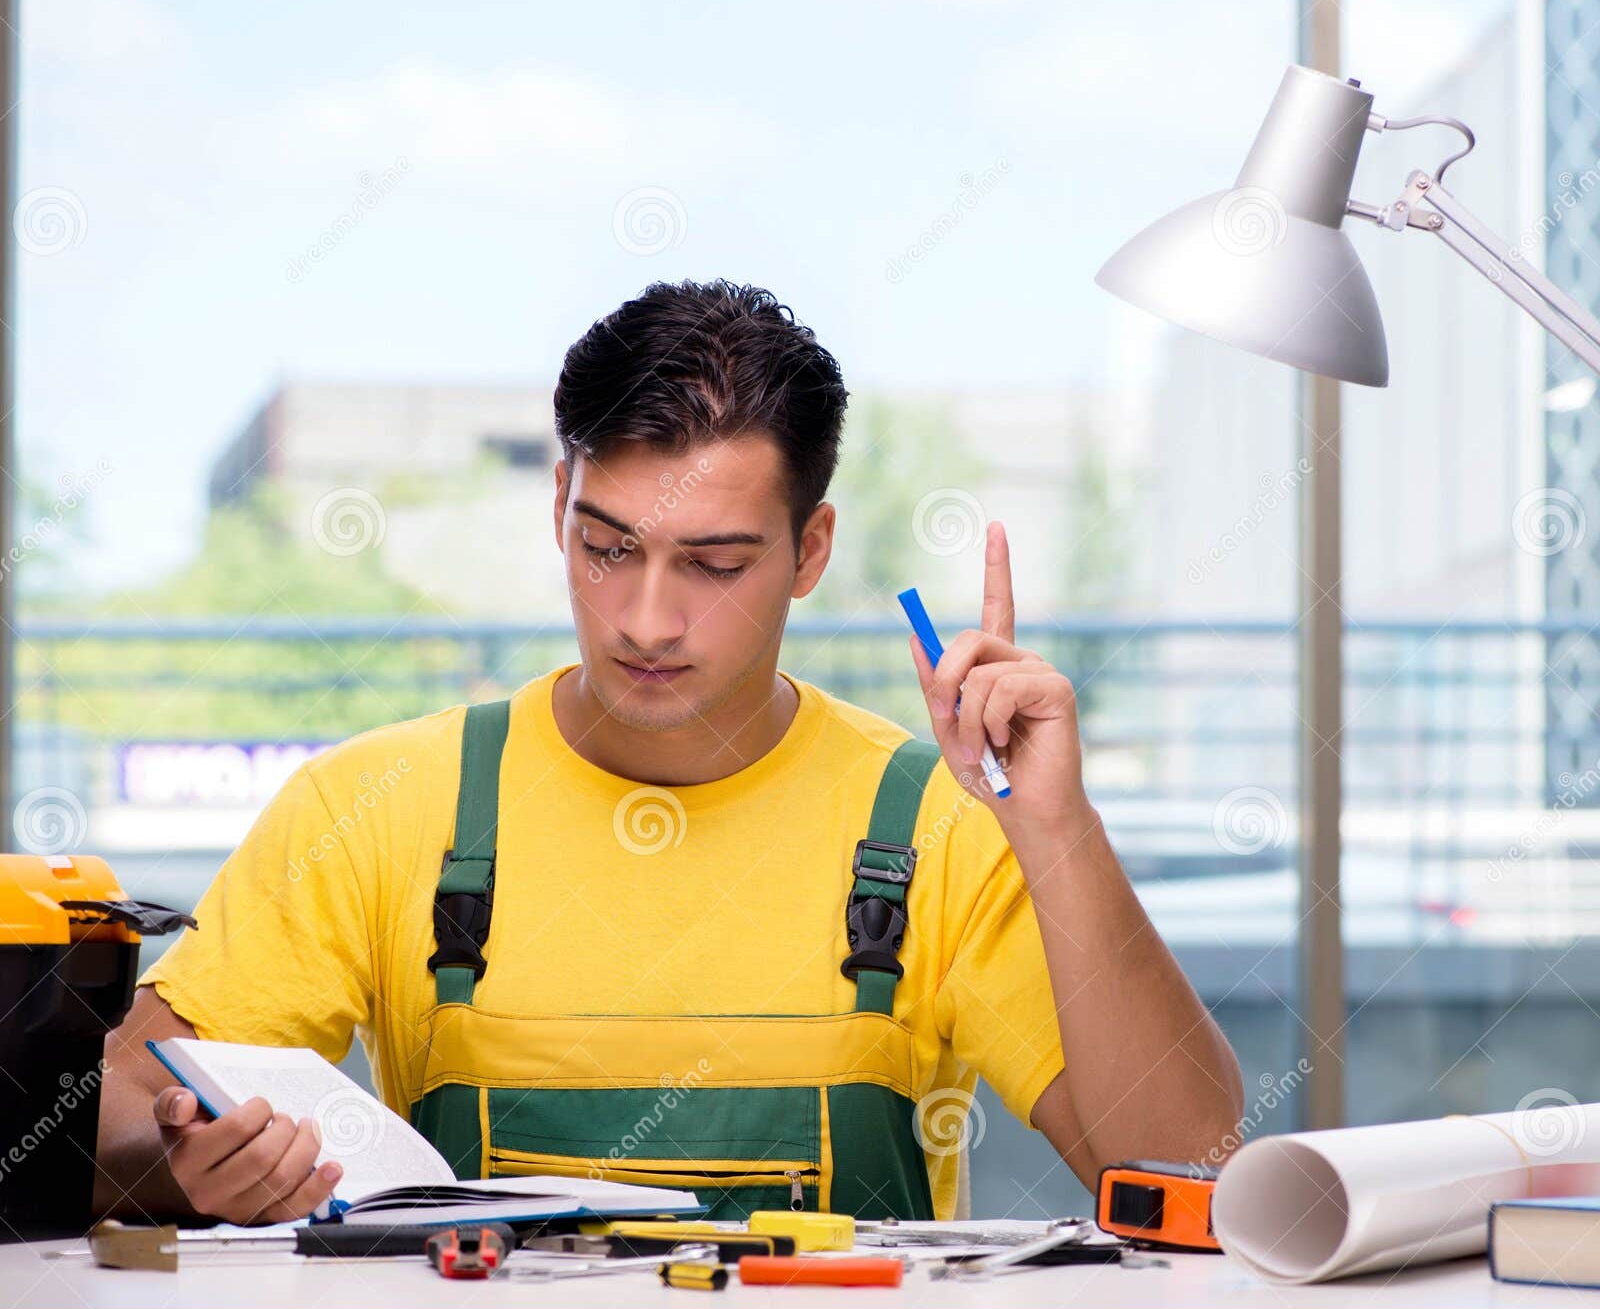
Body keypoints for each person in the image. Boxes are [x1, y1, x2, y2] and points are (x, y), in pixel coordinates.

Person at [96, 280, 1243, 1225]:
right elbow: (114, 1107)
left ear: (810, 550)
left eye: (713, 563)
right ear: (559, 508)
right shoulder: (384, 804)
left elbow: (1189, 1174)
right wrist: (174, 1167)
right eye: (608, 548)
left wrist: (1054, 828)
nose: (644, 620)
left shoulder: (936, 821)